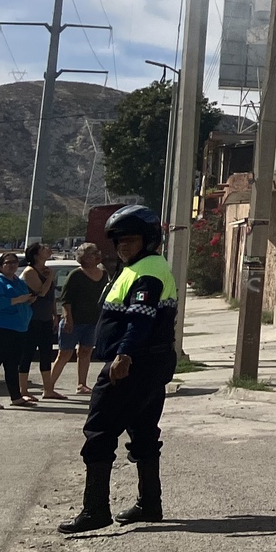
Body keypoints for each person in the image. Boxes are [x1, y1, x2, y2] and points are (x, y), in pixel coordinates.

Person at [58, 206, 179, 534]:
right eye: (120, 240)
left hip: (133, 364)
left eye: (132, 240)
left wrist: (123, 356)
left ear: (149, 239)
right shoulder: (136, 268)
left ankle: (96, 509)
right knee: (143, 432)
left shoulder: (148, 272)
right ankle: (149, 504)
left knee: (99, 432)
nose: (124, 246)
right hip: (150, 363)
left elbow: (141, 318)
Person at [51, 243, 105, 396]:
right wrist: (68, 319)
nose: (97, 255)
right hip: (74, 321)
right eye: (94, 252)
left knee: (85, 352)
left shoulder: (103, 274)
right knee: (65, 353)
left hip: (92, 321)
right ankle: (49, 386)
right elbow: (66, 299)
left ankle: (82, 384)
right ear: (85, 257)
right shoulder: (76, 275)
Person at [0, 250, 37, 408]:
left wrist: (28, 300)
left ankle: (16, 397)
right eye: (8, 262)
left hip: (18, 328)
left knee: (12, 364)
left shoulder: (18, 281)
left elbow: (24, 298)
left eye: (15, 262)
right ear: (0, 266)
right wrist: (18, 299)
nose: (12, 265)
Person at [20, 242, 59, 402]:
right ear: (36, 255)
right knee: (27, 353)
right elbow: (41, 292)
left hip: (45, 319)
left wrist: (55, 315)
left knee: (46, 353)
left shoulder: (46, 270)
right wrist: (49, 277)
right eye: (43, 248)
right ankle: (23, 389)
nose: (47, 249)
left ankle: (48, 389)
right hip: (32, 319)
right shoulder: (30, 271)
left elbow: (51, 296)